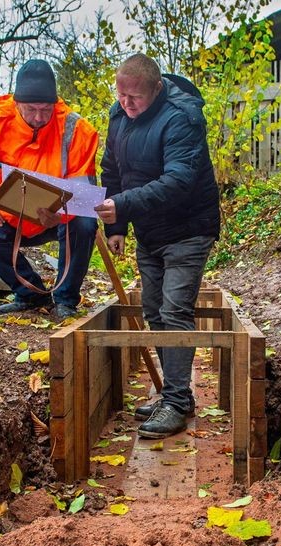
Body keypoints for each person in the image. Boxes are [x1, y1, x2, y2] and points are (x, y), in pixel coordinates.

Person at [95, 53, 221, 439]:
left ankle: (177, 402)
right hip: (150, 232)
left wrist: (125, 205)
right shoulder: (120, 116)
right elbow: (112, 171)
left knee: (174, 309)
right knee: (153, 310)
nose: (126, 103)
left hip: (187, 229)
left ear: (156, 88)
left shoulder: (182, 119)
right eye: (120, 94)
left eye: (134, 97)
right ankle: (174, 395)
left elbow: (179, 181)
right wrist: (117, 225)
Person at [0, 59, 99, 319]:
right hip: (11, 218)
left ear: (56, 103)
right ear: (16, 103)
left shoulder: (77, 130)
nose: (38, 117)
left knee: (85, 223)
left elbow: (83, 196)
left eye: (46, 110)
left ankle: (65, 299)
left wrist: (61, 216)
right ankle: (30, 294)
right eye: (31, 109)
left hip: (57, 219)